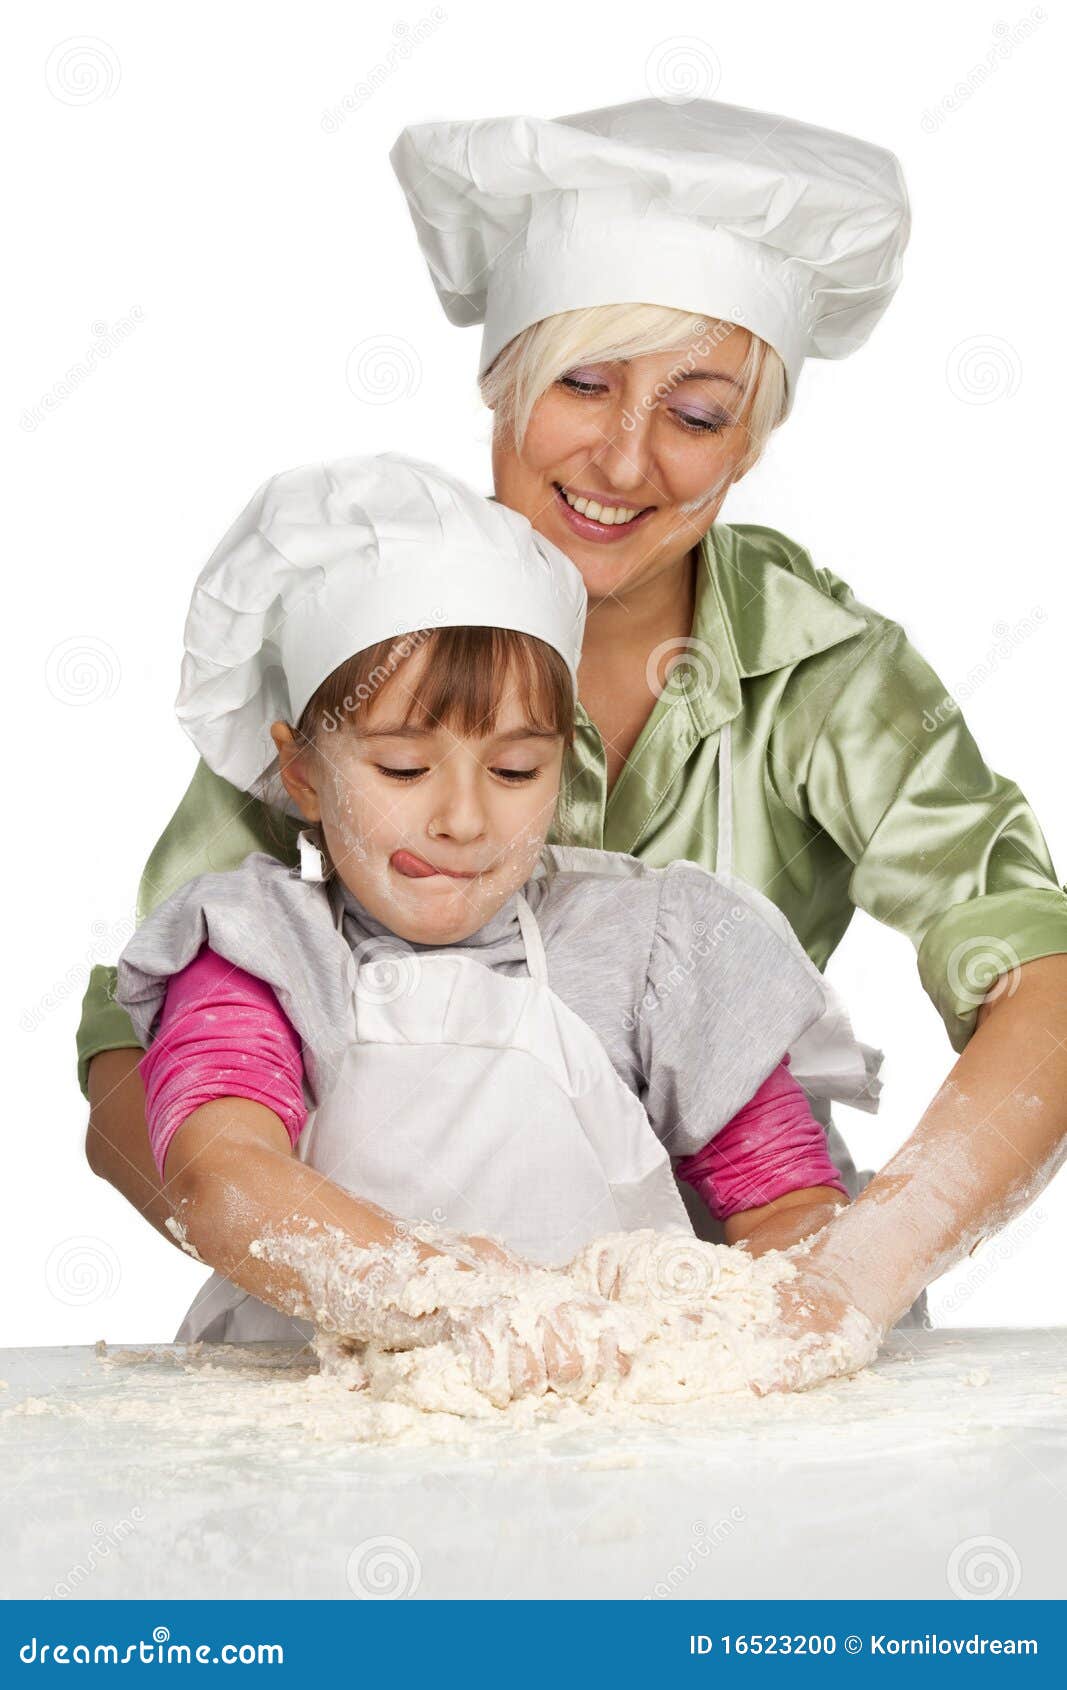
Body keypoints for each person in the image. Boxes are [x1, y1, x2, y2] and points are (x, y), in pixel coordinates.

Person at [83, 99, 1067, 1382]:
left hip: (732, 1349)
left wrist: (845, 1275)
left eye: (697, 414)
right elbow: (147, 1053)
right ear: (502, 379)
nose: (623, 458)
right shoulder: (357, 630)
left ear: (753, 439)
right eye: (582, 385)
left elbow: (1039, 982)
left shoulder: (830, 675)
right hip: (372, 1345)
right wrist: (339, 1259)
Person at [113, 452, 864, 1399]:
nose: (463, 820)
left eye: (514, 771)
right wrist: (461, 1302)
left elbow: (793, 1213)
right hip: (317, 1435)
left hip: (614, 1433)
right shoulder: (256, 950)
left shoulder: (654, 948)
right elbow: (221, 1176)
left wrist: (721, 1343)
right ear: (302, 773)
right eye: (402, 769)